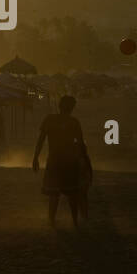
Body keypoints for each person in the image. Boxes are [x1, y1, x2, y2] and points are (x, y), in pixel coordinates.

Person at [33, 95, 92, 228]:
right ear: (72, 108)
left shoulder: (49, 119)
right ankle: (75, 222)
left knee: (54, 194)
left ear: (60, 106)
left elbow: (40, 140)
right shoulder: (74, 122)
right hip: (70, 161)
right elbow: (81, 144)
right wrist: (86, 161)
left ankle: (51, 220)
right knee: (72, 194)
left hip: (54, 160)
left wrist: (35, 157)